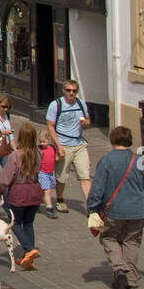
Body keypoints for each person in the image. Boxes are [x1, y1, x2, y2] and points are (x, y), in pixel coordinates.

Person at [87, 125, 144, 289]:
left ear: (112, 140)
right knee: (131, 241)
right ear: (129, 140)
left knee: (109, 237)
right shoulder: (140, 160)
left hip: (114, 210)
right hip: (137, 210)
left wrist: (92, 207)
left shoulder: (106, 160)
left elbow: (98, 188)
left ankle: (119, 268)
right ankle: (131, 279)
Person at [0, 123, 45, 270]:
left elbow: (5, 179)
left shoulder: (15, 156)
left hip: (19, 193)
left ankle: (29, 249)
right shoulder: (38, 153)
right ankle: (28, 258)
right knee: (28, 223)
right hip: (35, 191)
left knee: (15, 223)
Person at [46, 80, 92, 213]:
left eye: (74, 91)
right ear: (63, 91)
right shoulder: (56, 105)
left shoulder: (80, 103)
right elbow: (50, 126)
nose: (71, 93)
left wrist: (86, 124)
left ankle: (91, 208)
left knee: (85, 176)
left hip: (79, 145)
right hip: (63, 145)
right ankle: (60, 199)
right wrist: (58, 146)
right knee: (62, 177)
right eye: (68, 90)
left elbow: (88, 120)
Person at [37, 129, 58, 216]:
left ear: (49, 140)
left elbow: (55, 157)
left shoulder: (53, 148)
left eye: (44, 141)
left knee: (43, 190)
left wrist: (58, 158)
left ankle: (36, 201)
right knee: (47, 191)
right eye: (40, 141)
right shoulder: (38, 149)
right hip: (42, 172)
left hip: (50, 173)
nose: (42, 143)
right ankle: (49, 208)